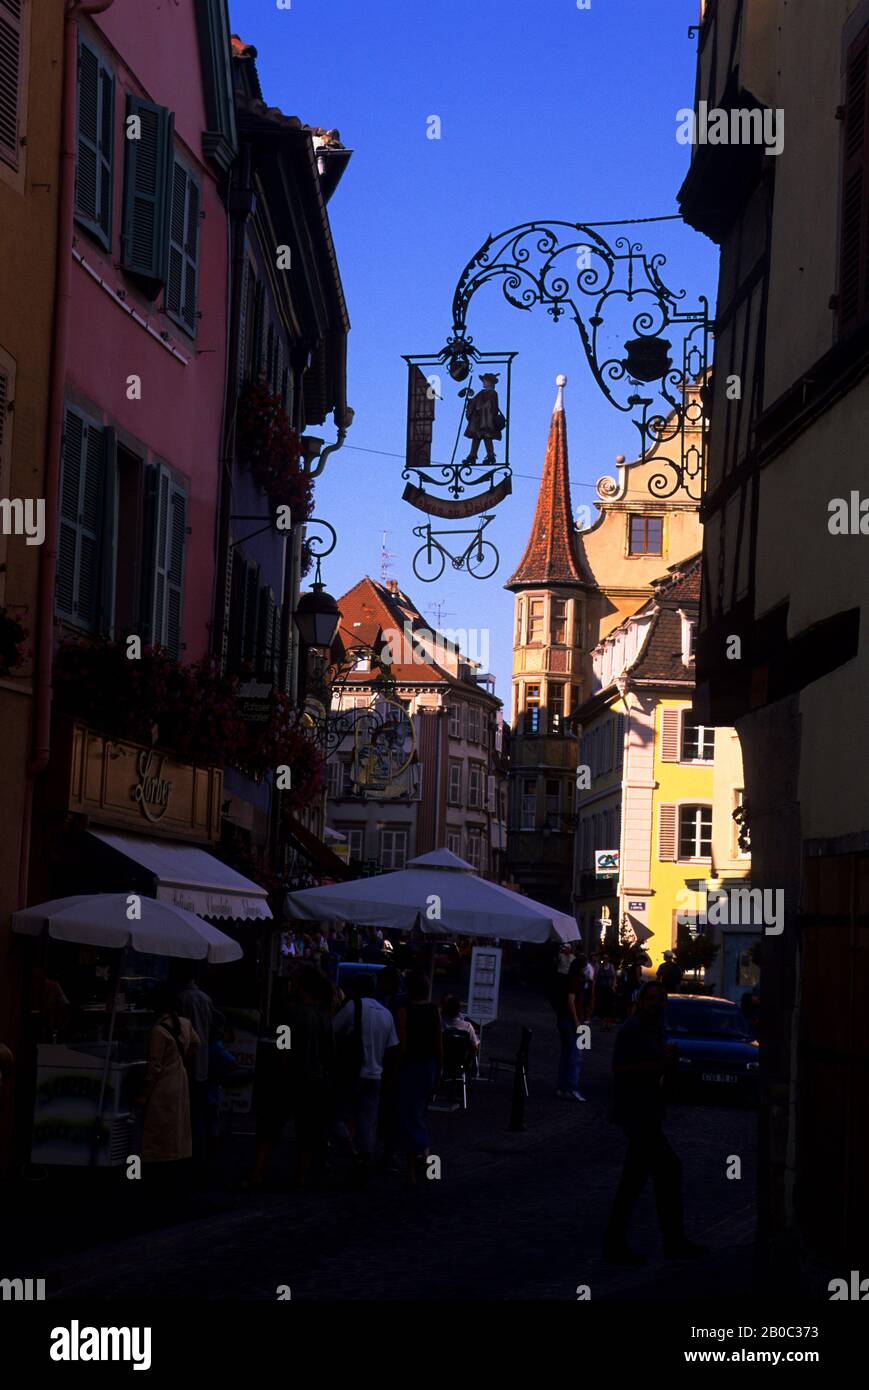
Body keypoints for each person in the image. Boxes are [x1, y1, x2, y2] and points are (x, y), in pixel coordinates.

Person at [603, 982, 706, 1264]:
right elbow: (619, 1070)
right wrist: (660, 1066)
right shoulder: (632, 1029)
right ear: (642, 1001)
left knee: (636, 1180)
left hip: (650, 1112)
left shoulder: (655, 1029)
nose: (657, 1004)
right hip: (636, 1114)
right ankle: (670, 1241)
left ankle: (622, 1242)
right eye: (652, 999)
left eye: (661, 1000)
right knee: (667, 1171)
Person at [333, 973, 398, 1187]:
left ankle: (348, 1147)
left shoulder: (353, 1007)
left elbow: (332, 1031)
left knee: (336, 1113)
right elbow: (392, 1049)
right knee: (367, 1123)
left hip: (353, 1073)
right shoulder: (386, 1014)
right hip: (376, 1075)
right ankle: (363, 1160)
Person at [140, 984, 200, 1190]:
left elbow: (154, 1067)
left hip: (164, 1084)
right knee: (176, 1129)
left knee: (158, 1131)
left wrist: (143, 1095)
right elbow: (196, 1043)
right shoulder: (185, 1023)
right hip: (180, 1079)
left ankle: (156, 1177)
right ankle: (175, 1171)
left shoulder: (158, 1030)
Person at [398, 972, 442, 1185]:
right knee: (420, 1113)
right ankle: (428, 1163)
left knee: (410, 1116)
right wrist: (440, 1071)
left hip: (412, 1067)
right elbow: (439, 1044)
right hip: (429, 1066)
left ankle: (420, 1165)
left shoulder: (405, 1012)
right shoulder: (434, 1011)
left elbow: (403, 1046)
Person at [176, 970, 214, 1170]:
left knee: (187, 1112)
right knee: (198, 1113)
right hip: (201, 1063)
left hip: (186, 1063)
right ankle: (199, 1156)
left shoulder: (181, 998)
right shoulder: (205, 999)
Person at [553, 959, 586, 1101]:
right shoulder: (574, 981)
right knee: (576, 1055)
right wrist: (577, 1021)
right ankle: (572, 1087)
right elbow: (571, 1001)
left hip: (566, 1021)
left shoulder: (568, 979)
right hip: (574, 1022)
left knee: (566, 1053)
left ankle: (562, 1087)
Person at [463, 372, 506, 463]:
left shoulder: (492, 393)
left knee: (487, 438)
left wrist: (480, 406)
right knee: (476, 438)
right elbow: (475, 401)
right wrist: (470, 401)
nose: (483, 383)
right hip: (478, 420)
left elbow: (492, 406)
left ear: (490, 383)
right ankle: (472, 455)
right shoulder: (481, 392)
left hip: (486, 420)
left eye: (485, 381)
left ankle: (490, 456)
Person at [593, 953, 616, 1031]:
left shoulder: (611, 966)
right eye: (604, 958)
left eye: (606, 958)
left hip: (608, 988)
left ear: (608, 959)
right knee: (602, 1006)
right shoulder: (598, 966)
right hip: (601, 989)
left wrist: (613, 986)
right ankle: (603, 1023)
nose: (605, 959)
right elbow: (595, 978)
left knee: (609, 1006)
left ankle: (608, 1024)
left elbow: (614, 977)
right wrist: (594, 989)